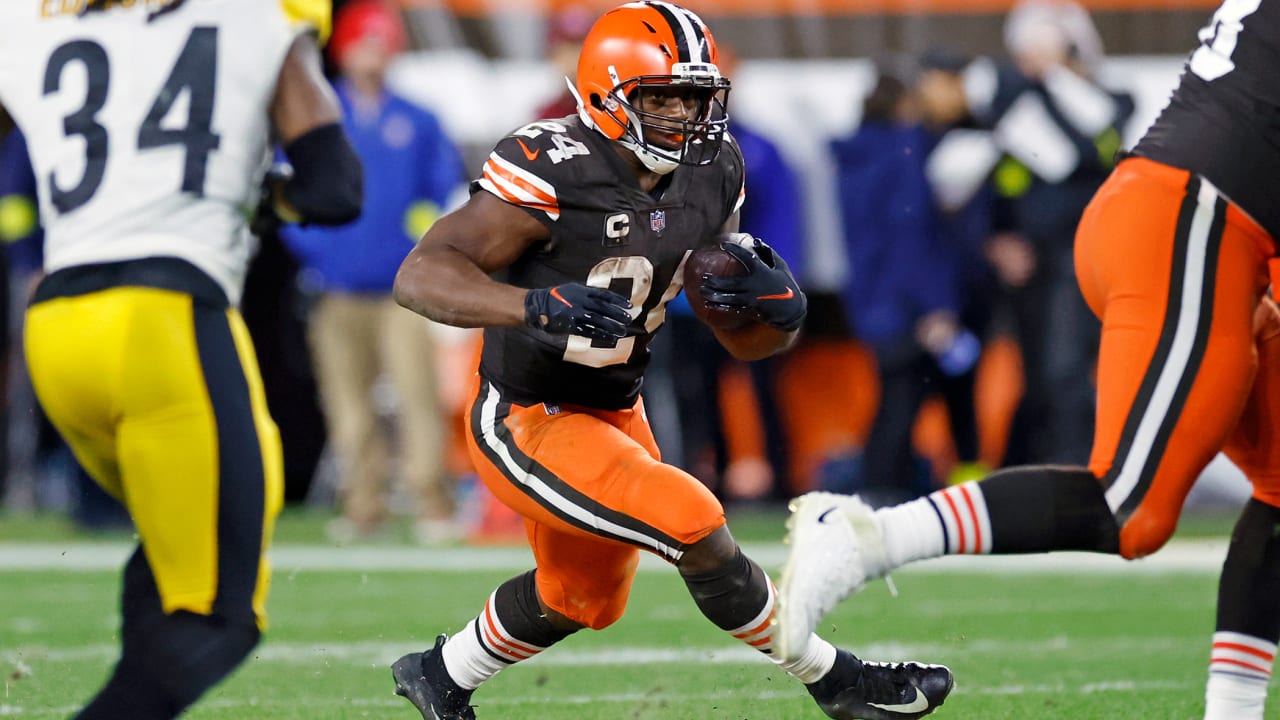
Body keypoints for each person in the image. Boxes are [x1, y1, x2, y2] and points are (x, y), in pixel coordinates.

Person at [387, 3, 953, 720]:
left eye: (696, 96)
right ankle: (840, 683)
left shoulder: (714, 172)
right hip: (529, 414)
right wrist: (529, 307)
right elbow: (422, 274)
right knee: (692, 520)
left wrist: (773, 318)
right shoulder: (556, 166)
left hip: (619, 408)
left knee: (582, 598)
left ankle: (440, 674)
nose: (685, 114)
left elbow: (742, 341)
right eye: (662, 97)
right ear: (607, 91)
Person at [778, 2, 1280, 719]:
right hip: (1195, 223)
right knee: (1131, 507)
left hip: (1180, 219)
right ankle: (865, 538)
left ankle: (1233, 713)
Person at [0, 1, 362, 717]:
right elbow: (335, 187)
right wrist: (267, 197)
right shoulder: (258, 17)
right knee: (216, 618)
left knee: (171, 560)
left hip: (56, 330)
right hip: (165, 323)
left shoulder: (28, 18)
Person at [281, 0, 466, 544]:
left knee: (416, 395)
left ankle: (432, 502)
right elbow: (289, 194)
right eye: (364, 41)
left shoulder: (418, 119)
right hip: (335, 288)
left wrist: (417, 247)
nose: (373, 53)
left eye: (382, 42)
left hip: (402, 289)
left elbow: (441, 193)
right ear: (345, 47)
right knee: (347, 402)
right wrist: (318, 254)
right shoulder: (316, 115)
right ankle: (363, 504)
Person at [828, 67, 984, 506]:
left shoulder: (855, 157)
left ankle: (878, 491)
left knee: (893, 400)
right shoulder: (903, 154)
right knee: (902, 404)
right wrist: (936, 304)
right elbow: (911, 234)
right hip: (906, 299)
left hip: (870, 295)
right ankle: (881, 498)